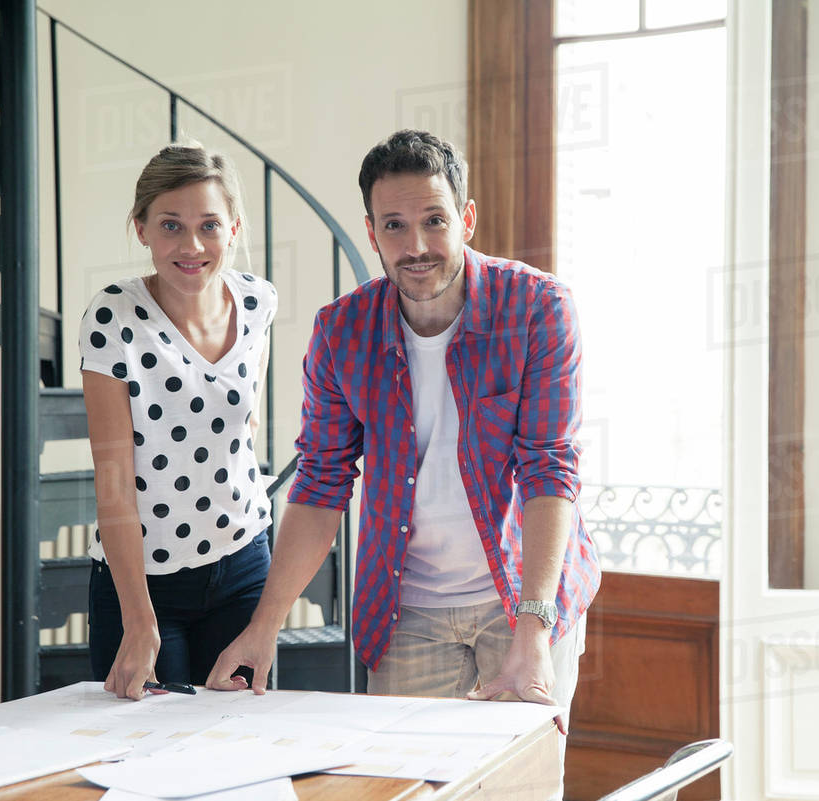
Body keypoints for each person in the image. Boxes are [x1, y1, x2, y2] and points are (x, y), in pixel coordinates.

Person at [208, 129, 600, 773]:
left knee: (517, 790)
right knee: (407, 789)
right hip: (408, 609)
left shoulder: (537, 308)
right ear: (371, 232)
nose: (415, 245)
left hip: (522, 599)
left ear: (466, 219)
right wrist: (265, 625)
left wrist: (533, 627)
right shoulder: (342, 331)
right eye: (394, 225)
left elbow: (549, 470)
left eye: (434, 220)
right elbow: (320, 485)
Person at [79, 141, 277, 701]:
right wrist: (139, 621)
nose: (191, 245)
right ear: (140, 229)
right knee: (142, 763)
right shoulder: (113, 317)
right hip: (146, 589)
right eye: (170, 225)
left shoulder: (259, 302)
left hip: (244, 567)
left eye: (209, 225)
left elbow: (246, 426)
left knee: (238, 756)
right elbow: (114, 484)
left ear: (233, 229)